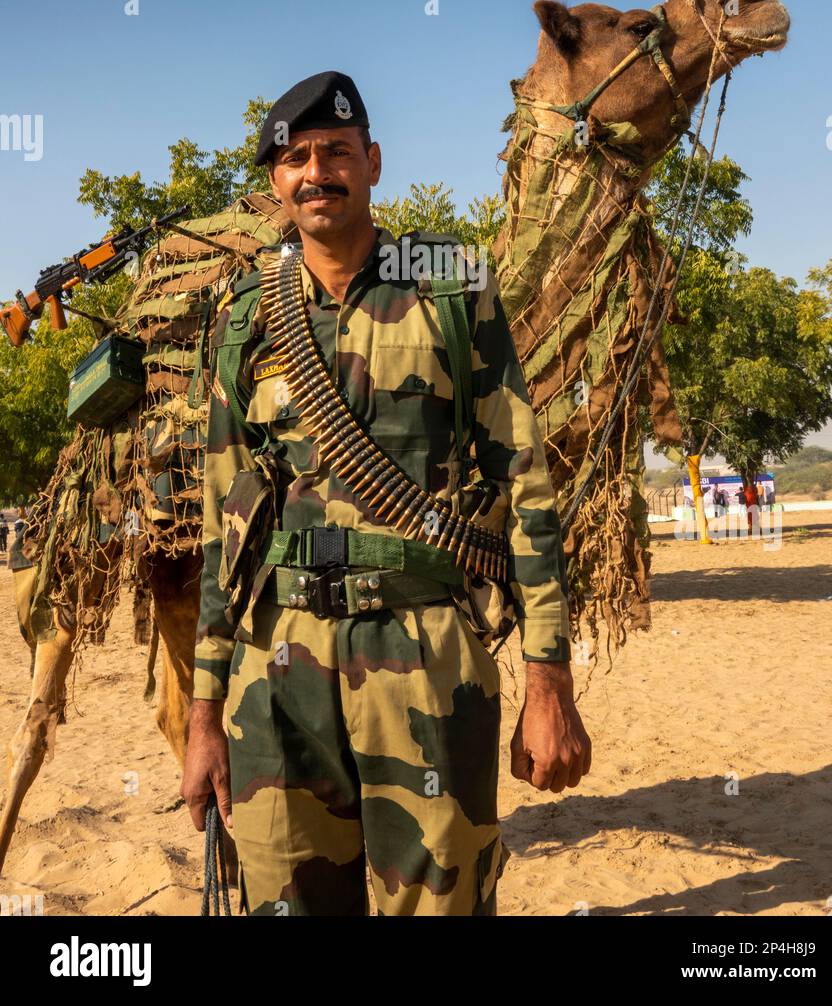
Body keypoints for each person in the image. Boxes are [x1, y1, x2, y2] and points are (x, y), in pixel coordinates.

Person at [181, 71, 590, 916]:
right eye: (295, 158)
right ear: (275, 184)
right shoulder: (249, 314)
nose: (315, 171)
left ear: (372, 162)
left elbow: (526, 478)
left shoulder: (446, 280)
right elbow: (225, 535)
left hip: (425, 655)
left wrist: (549, 681)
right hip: (277, 665)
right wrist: (203, 713)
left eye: (335, 151)